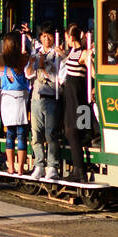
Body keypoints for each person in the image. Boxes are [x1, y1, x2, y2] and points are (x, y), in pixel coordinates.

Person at [0, 32, 36, 174]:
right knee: (21, 134)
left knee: (10, 134)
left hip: (7, 99)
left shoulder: (0, 60)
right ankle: (21, 168)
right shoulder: (22, 59)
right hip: (21, 99)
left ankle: (11, 167)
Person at [59, 24, 94, 181]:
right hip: (70, 95)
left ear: (70, 37)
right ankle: (78, 168)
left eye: (66, 37)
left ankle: (79, 170)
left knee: (73, 131)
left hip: (78, 97)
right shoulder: (72, 51)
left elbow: (93, 73)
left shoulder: (83, 53)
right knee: (73, 131)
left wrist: (90, 60)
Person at [29, 24, 62, 181]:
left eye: (49, 36)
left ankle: (52, 166)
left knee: (51, 133)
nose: (46, 39)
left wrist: (45, 70)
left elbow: (59, 79)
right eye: (43, 36)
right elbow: (28, 74)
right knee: (36, 133)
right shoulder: (36, 53)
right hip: (36, 97)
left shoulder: (57, 54)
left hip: (51, 97)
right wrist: (31, 63)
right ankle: (39, 164)